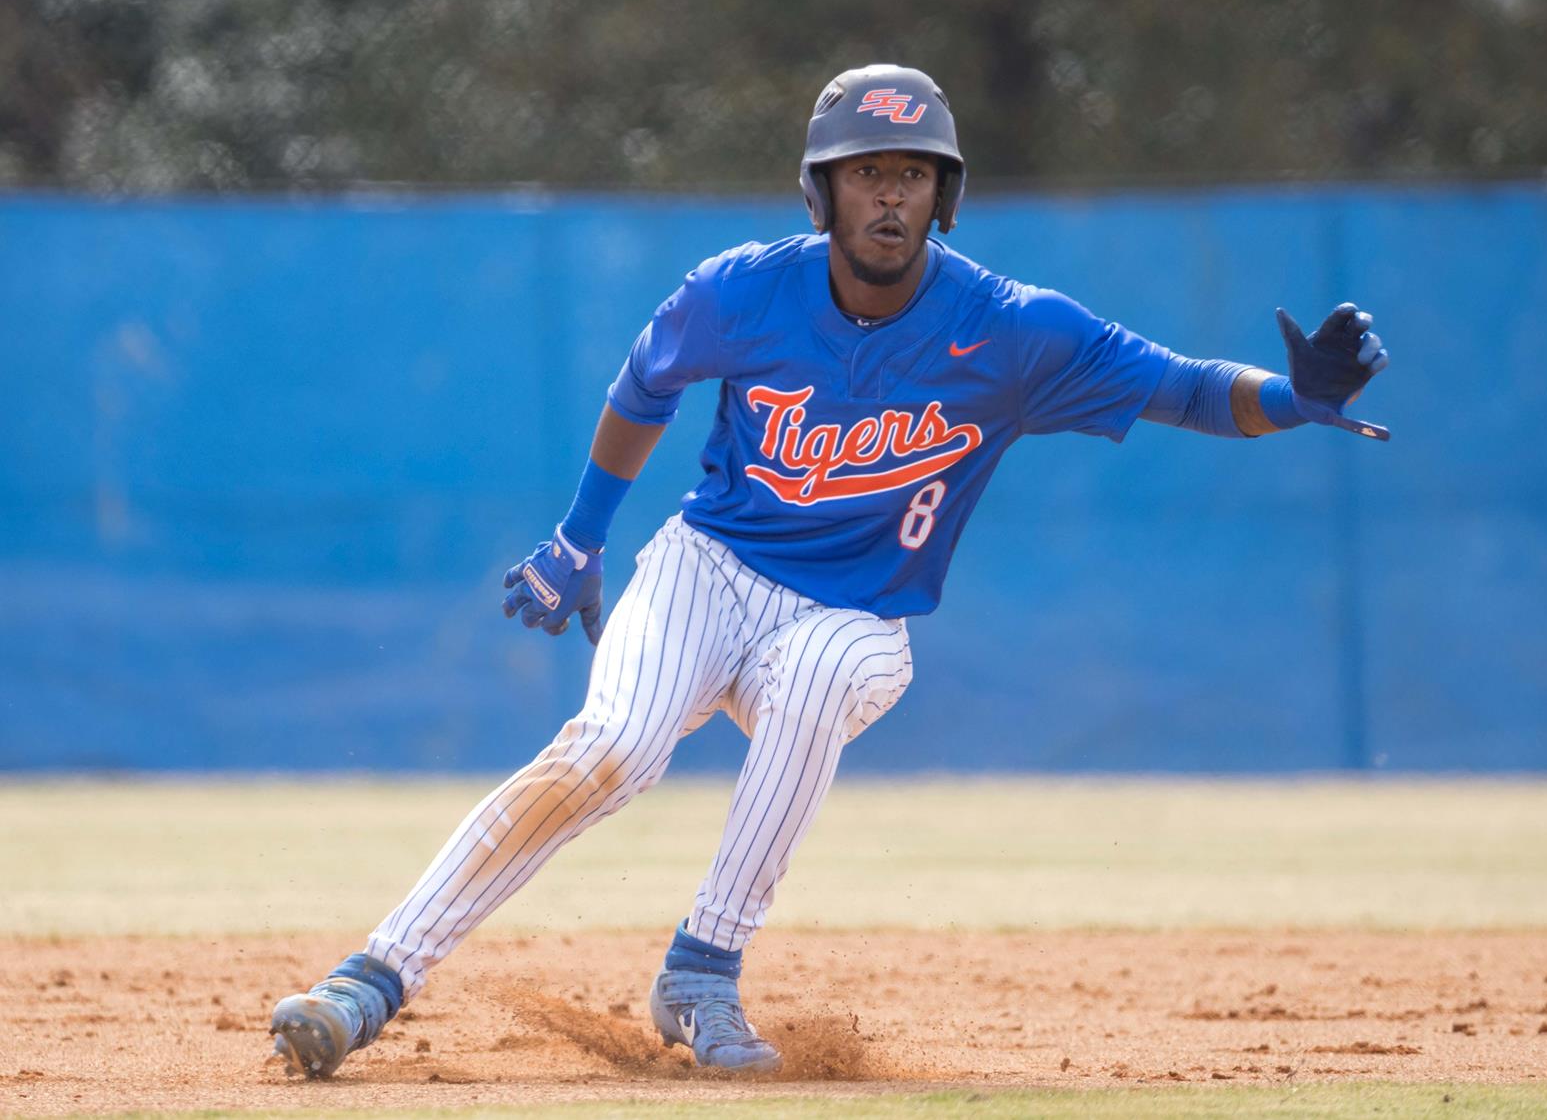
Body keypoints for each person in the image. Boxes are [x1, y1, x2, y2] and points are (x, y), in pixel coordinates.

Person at [268, 63, 1392, 1079]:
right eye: (866, 174)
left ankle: (701, 971)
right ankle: (371, 978)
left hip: (857, 614)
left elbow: (1186, 388)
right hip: (706, 569)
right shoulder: (740, 290)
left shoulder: (1008, 329)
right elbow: (642, 386)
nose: (889, 196)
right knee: (610, 747)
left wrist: (1298, 400)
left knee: (813, 678)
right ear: (823, 194)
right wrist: (579, 537)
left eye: (912, 173)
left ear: (941, 195)